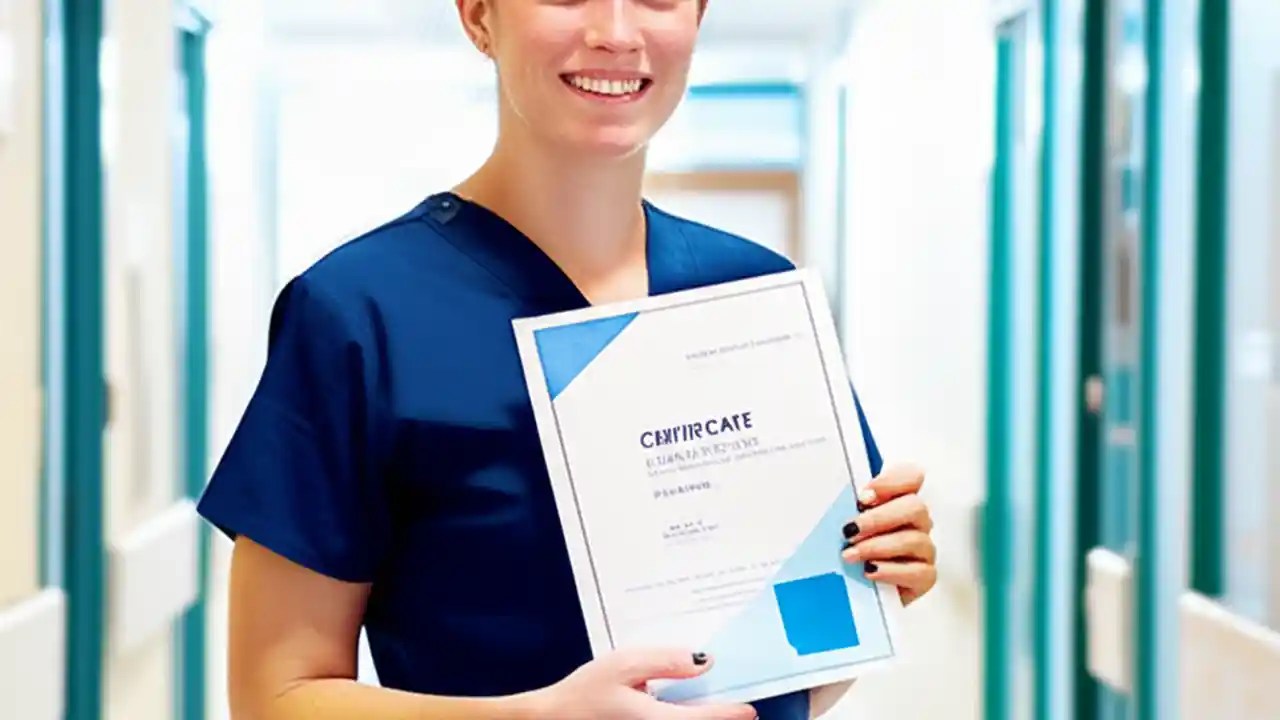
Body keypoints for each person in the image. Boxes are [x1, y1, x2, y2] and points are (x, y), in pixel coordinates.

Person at [198, 1, 938, 718]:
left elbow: (788, 682)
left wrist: (878, 579)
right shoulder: (359, 314)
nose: (615, 32)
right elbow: (274, 697)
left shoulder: (755, 296)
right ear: (477, 15)